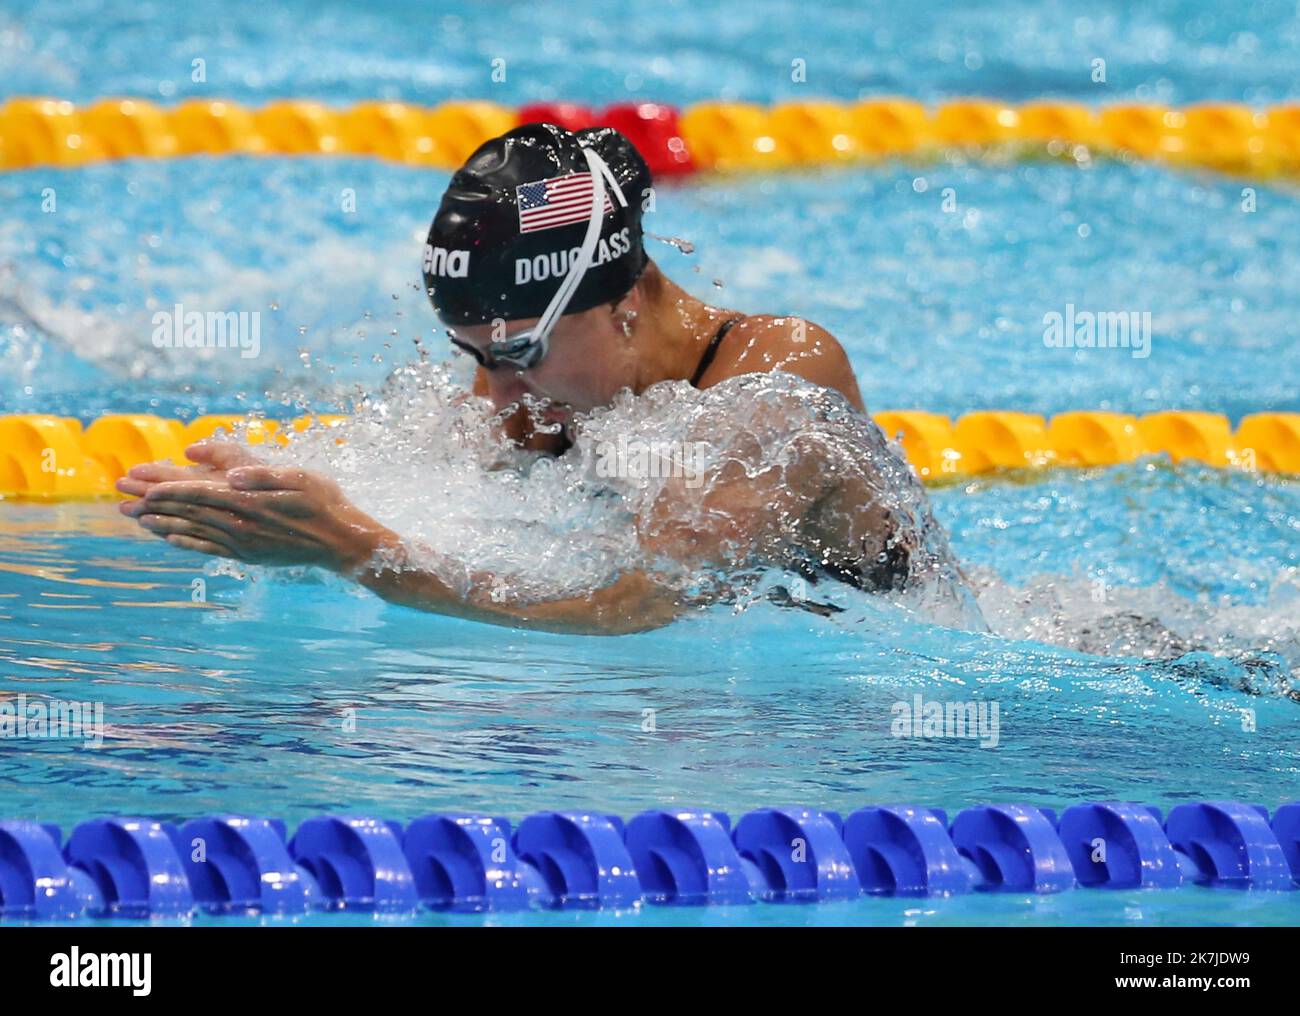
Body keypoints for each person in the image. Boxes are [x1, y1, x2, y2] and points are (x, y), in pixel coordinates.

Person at [118, 123, 915, 634]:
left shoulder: (777, 381)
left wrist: (354, 548)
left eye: (523, 355)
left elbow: (635, 609)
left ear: (628, 302)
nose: (499, 395)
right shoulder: (531, 388)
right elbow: (453, 518)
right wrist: (282, 513)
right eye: (478, 358)